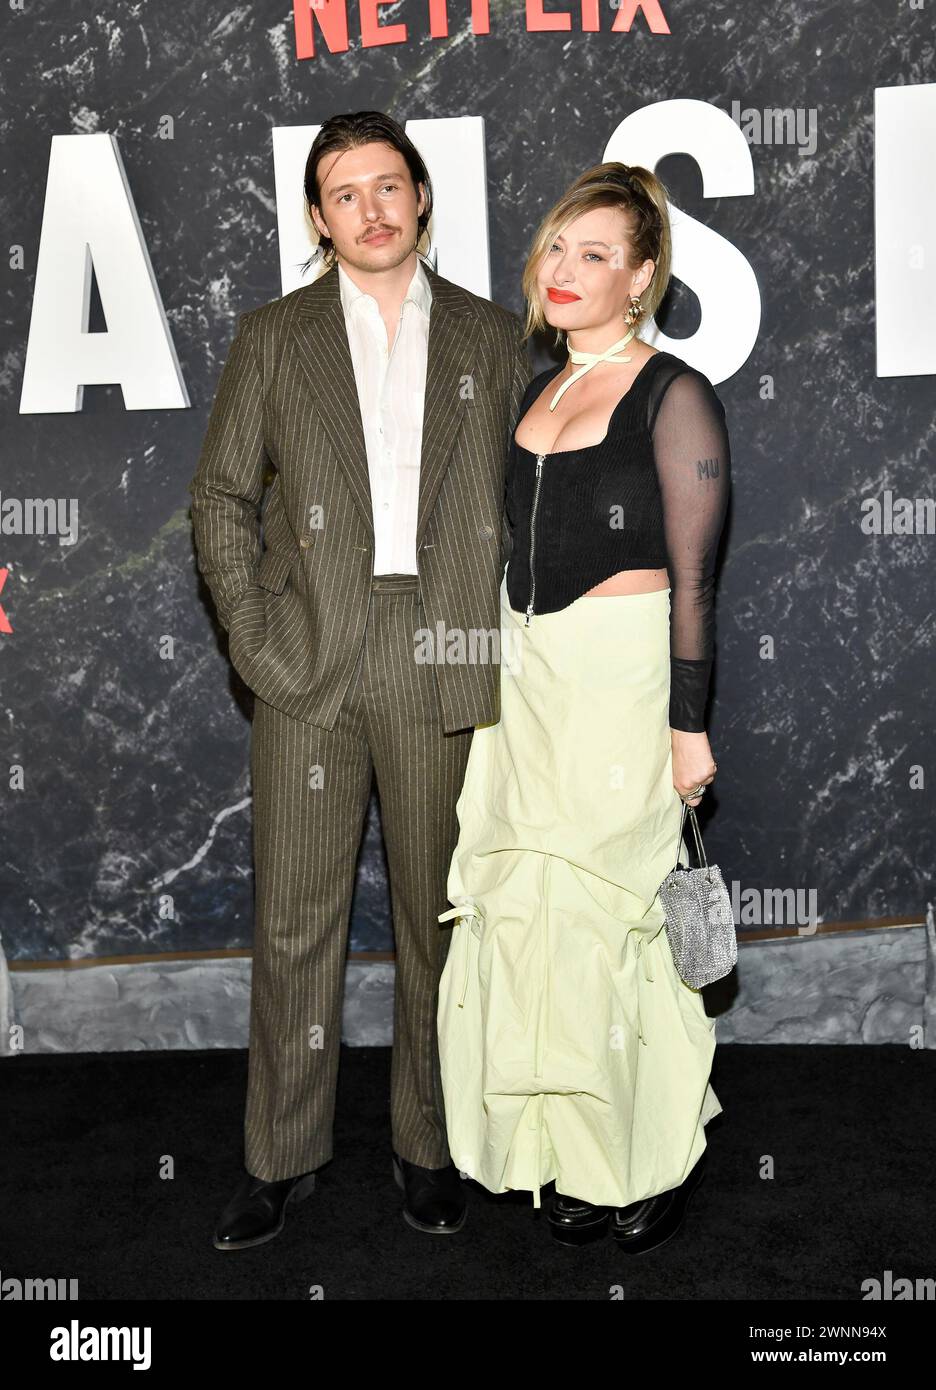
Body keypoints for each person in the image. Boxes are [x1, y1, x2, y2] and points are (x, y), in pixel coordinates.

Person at [189, 110, 533, 1250]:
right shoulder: (275, 336)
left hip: (449, 652)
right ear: (318, 216)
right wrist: (255, 633)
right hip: (312, 659)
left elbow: (535, 510)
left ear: (422, 198)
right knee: (295, 921)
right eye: (347, 193)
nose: (373, 209)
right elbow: (221, 497)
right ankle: (280, 1157)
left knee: (443, 921)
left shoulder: (493, 336)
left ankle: (426, 1146)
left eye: (391, 186)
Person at [437, 162, 731, 1252]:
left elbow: (696, 581)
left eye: (597, 254)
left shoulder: (674, 392)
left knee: (617, 920)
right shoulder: (535, 385)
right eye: (558, 247)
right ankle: (566, 1154)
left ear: (642, 276)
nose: (566, 271)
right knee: (528, 919)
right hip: (524, 681)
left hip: (622, 683)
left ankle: (647, 1161)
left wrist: (688, 723)